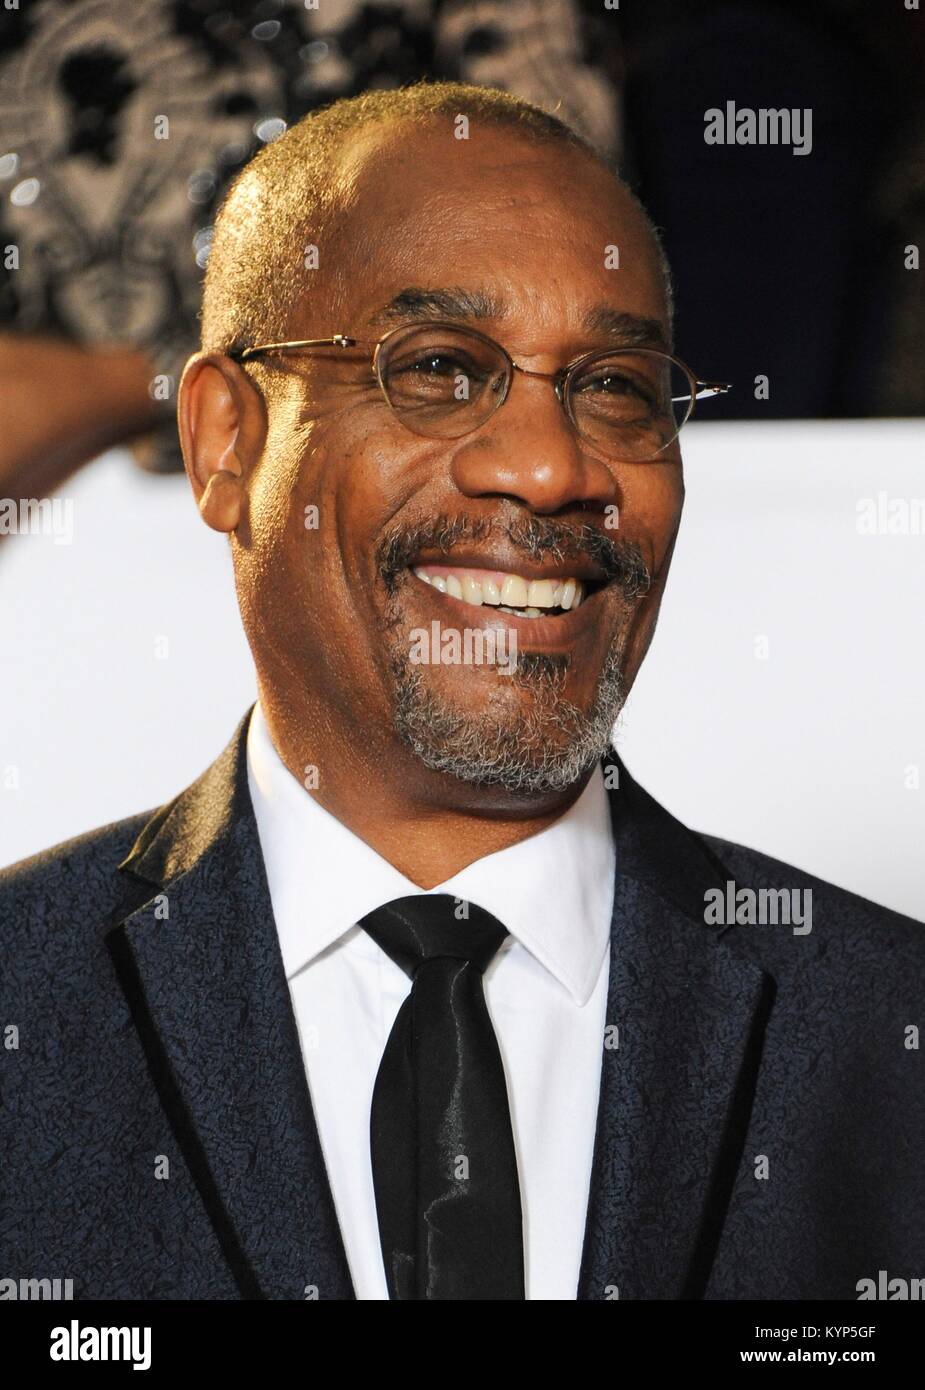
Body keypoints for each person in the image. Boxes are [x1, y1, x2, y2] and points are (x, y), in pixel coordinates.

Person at [2, 81, 923, 1302]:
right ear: (227, 441)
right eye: (437, 367)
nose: (547, 466)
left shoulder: (888, 1036)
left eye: (613, 385)